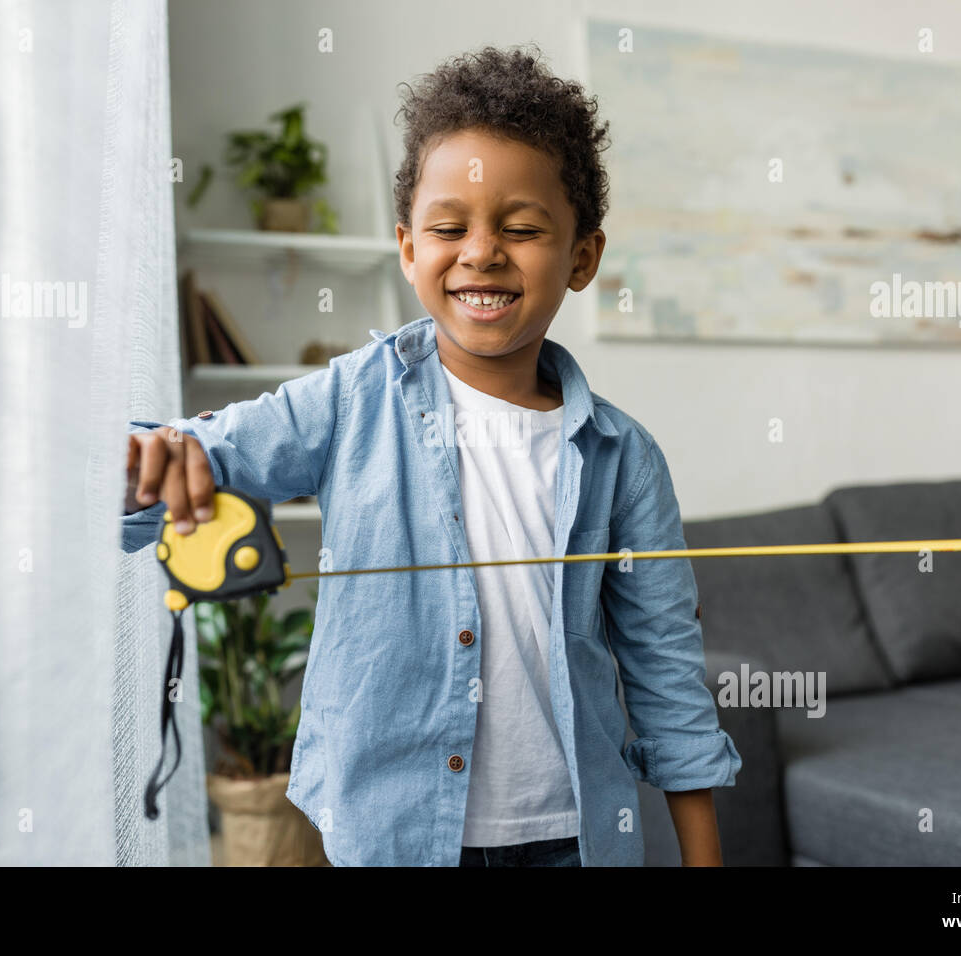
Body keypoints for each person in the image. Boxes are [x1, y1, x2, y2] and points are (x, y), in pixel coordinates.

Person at [123, 44, 741, 866]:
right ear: (410, 248)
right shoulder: (348, 400)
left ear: (583, 257)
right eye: (450, 228)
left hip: (575, 837)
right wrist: (155, 458)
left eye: (521, 229)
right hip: (393, 835)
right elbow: (183, 458)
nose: (482, 252)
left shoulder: (626, 458)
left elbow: (666, 677)